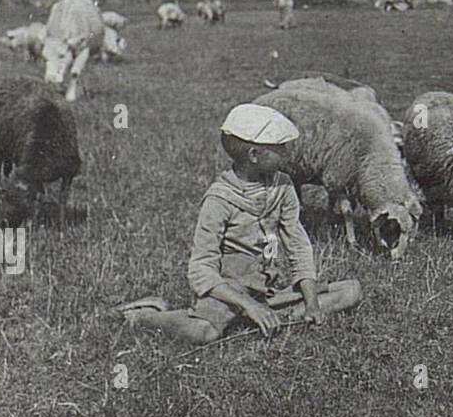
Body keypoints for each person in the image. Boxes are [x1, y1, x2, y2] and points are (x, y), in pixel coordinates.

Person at [116, 103, 362, 343]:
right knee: (202, 332)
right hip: (227, 294)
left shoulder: (283, 187)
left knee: (351, 291)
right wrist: (248, 305)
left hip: (267, 291)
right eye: (280, 147)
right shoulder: (219, 199)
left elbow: (298, 246)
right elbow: (201, 269)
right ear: (254, 155)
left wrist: (312, 303)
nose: (288, 152)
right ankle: (146, 316)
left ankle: (257, 318)